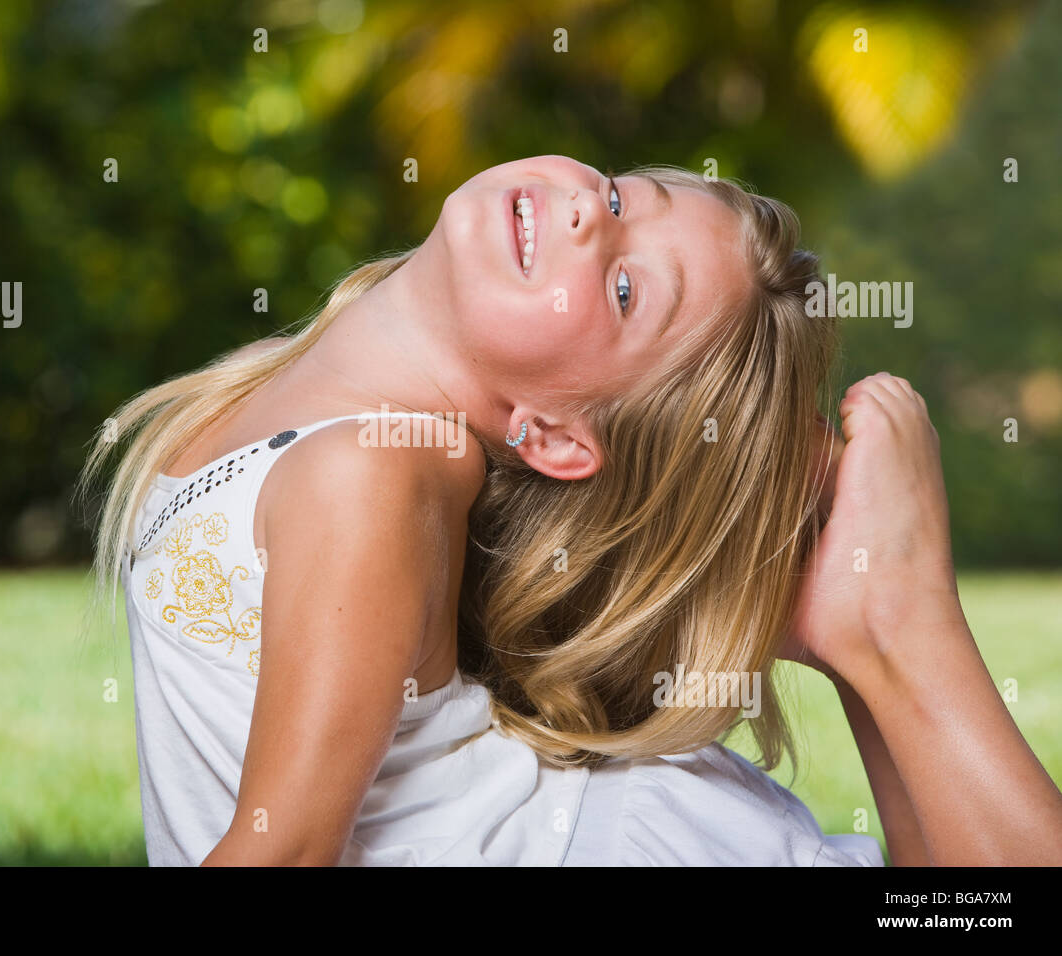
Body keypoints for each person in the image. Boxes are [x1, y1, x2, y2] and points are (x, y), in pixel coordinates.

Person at [78, 155, 1062, 865]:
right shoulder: (271, 398)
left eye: (629, 288)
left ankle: (895, 622)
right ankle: (871, 636)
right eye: (624, 195)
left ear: (551, 435)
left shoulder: (371, 470)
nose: (594, 215)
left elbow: (282, 851)